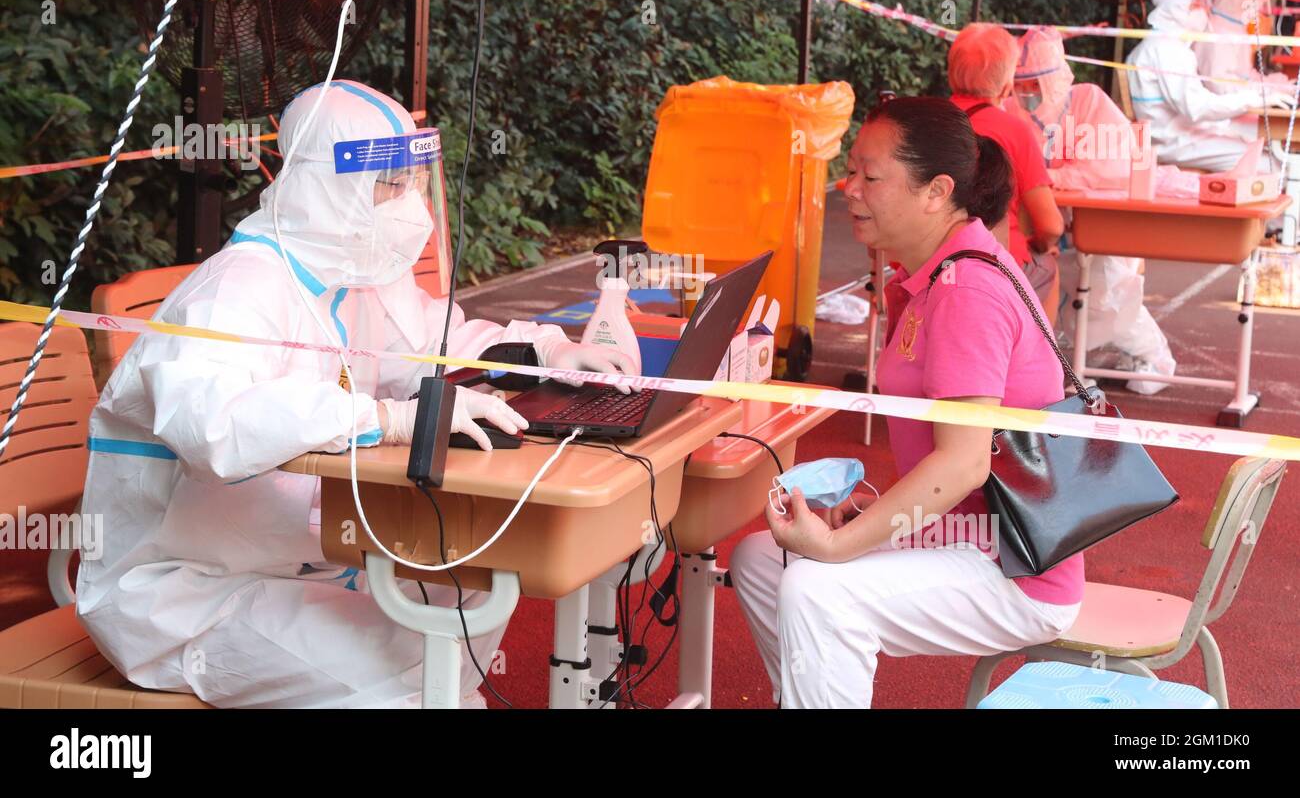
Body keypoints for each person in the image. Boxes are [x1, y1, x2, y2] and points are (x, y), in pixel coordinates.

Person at [76, 80, 636, 708]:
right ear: (325, 183)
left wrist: (545, 350)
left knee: (468, 593)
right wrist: (387, 418)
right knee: (416, 674)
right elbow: (214, 427)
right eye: (388, 184)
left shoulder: (353, 275)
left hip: (308, 560)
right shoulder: (234, 291)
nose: (410, 206)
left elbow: (435, 338)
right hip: (187, 595)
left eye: (412, 182)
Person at [729, 96, 1082, 708]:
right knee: (764, 560)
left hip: (1015, 568)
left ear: (936, 191)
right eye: (851, 172)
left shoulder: (967, 288)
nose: (849, 188)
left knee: (818, 590)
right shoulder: (934, 274)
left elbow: (964, 464)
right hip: (967, 534)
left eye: (870, 176)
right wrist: (863, 522)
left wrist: (844, 543)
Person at [1007, 27, 1176, 395]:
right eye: (1021, 84)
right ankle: (1062, 364)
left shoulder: (1089, 102)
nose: (1028, 93)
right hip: (1045, 223)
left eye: (1036, 84)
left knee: (1106, 295)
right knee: (1055, 292)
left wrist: (1043, 177)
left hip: (1098, 222)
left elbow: (1109, 169)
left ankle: (1154, 358)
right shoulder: (1011, 109)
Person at [947, 23, 1064, 323]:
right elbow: (1051, 225)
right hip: (992, 264)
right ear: (1006, 86)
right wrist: (1041, 245)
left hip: (925, 262)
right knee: (1047, 266)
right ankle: (1039, 365)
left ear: (950, 74)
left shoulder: (924, 122)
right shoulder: (1014, 131)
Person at [1127, 0, 1288, 173]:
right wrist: (1253, 99)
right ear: (1175, 9)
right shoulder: (1166, 51)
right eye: (1195, 6)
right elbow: (1197, 108)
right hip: (1174, 143)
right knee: (1273, 165)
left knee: (1260, 145)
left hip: (1181, 134)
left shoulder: (1164, 46)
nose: (1204, 12)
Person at [1196, 0, 1287, 94]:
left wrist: (1276, 84)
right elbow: (1221, 88)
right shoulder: (1216, 33)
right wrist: (1266, 91)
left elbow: (1242, 75)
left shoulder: (1234, 26)